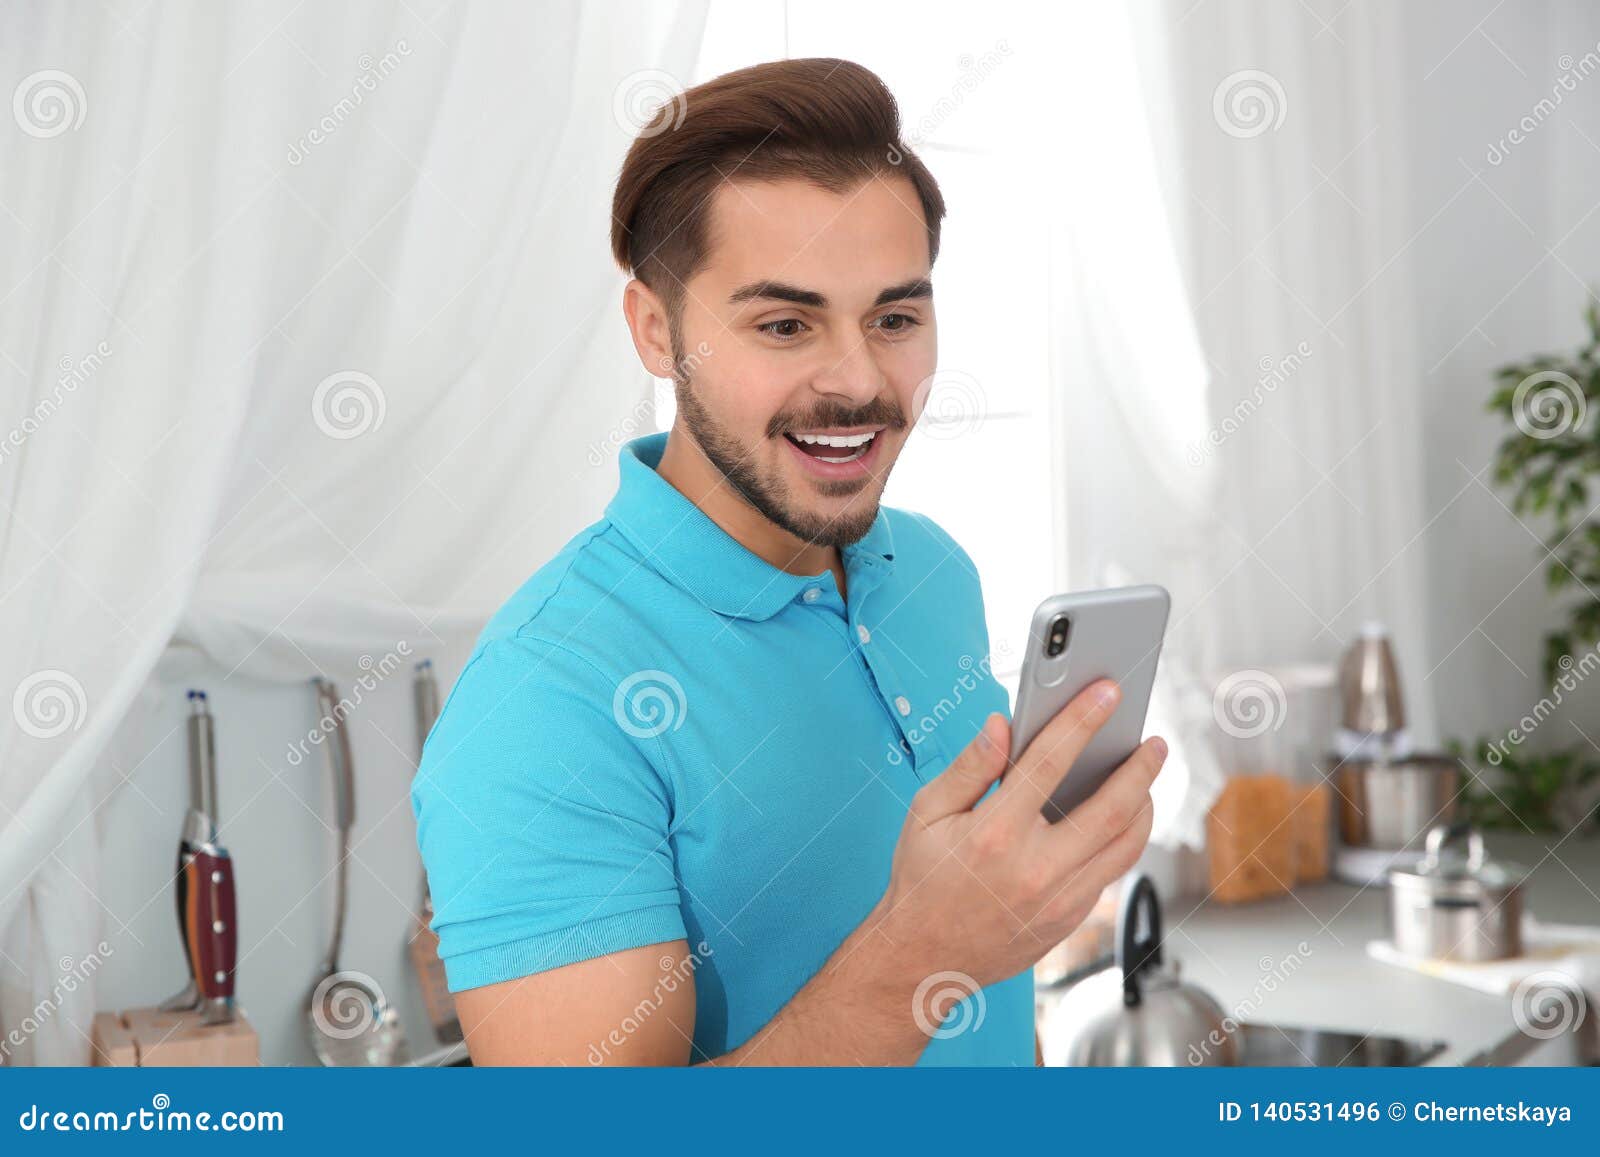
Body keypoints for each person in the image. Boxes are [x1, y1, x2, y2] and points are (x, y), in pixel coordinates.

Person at [410, 57, 1167, 1066]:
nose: (857, 380)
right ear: (654, 330)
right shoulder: (546, 696)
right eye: (784, 324)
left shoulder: (931, 571)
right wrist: (917, 957)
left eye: (894, 317)